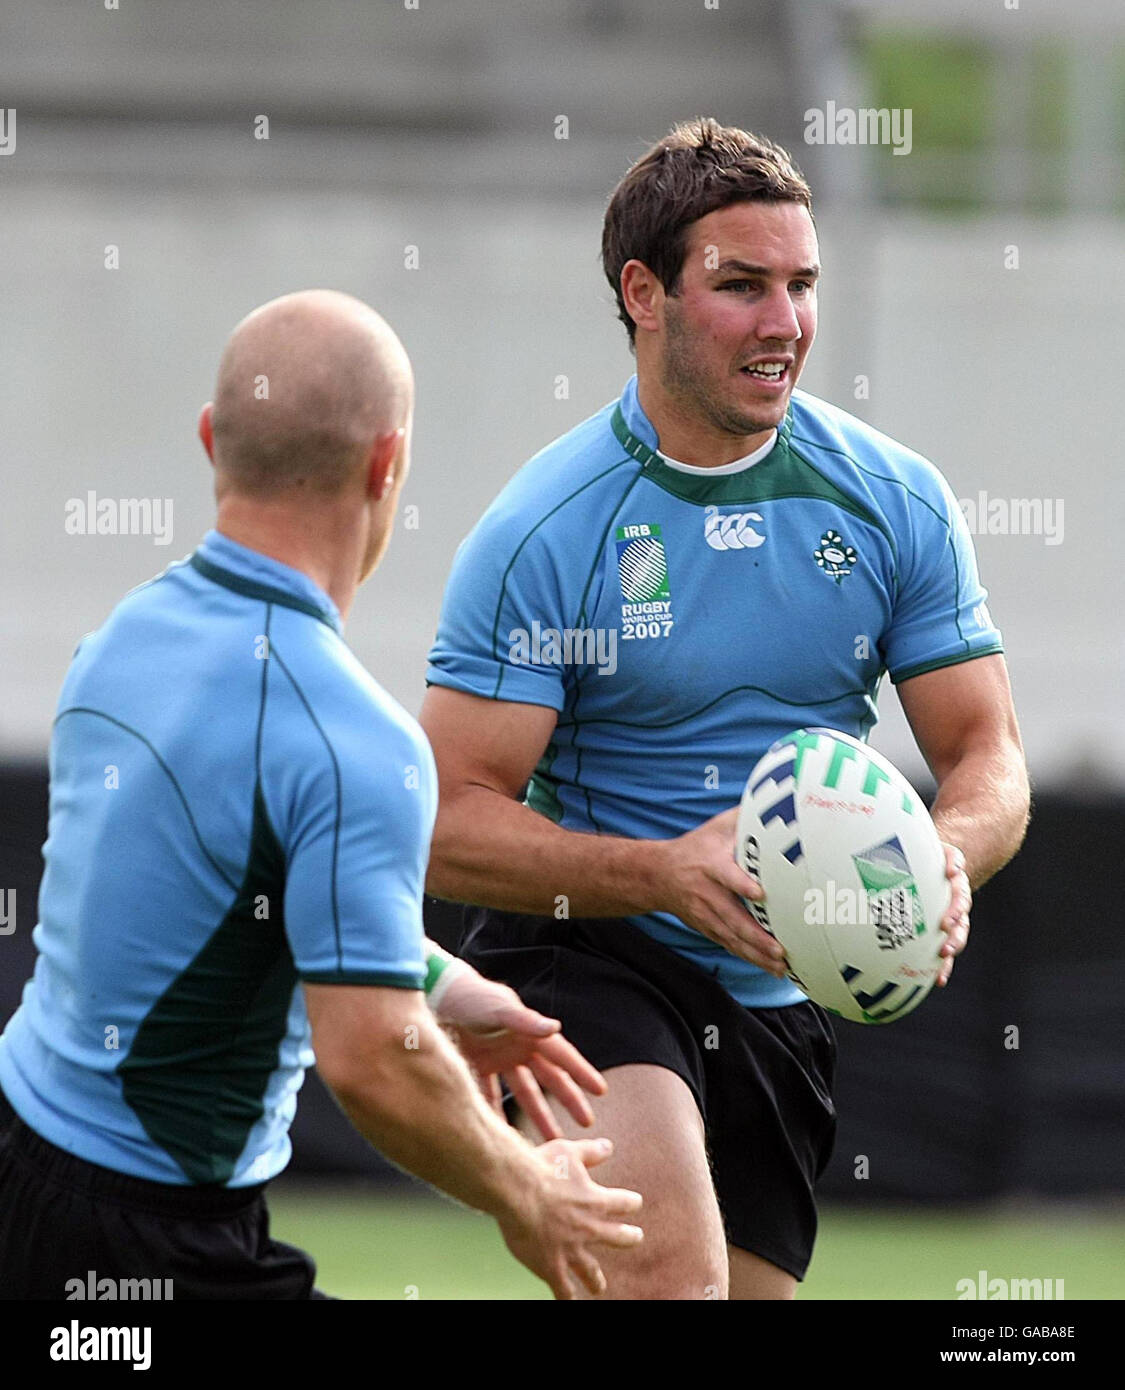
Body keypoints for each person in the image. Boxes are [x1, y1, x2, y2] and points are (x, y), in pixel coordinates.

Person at [421, 119, 1031, 1300]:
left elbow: (985, 750)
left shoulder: (893, 500)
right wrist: (659, 872)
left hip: (780, 990)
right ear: (643, 294)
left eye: (801, 284)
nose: (786, 322)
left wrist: (944, 857)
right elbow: (443, 816)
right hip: (586, 955)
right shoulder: (545, 533)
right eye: (741, 285)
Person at [0, 289, 643, 1301]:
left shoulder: (116, 642)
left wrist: (438, 983)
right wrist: (530, 1188)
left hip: (21, 1161)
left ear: (213, 441)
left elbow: (235, 891)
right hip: (147, 1246)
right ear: (388, 466)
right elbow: (374, 1060)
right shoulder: (353, 739)